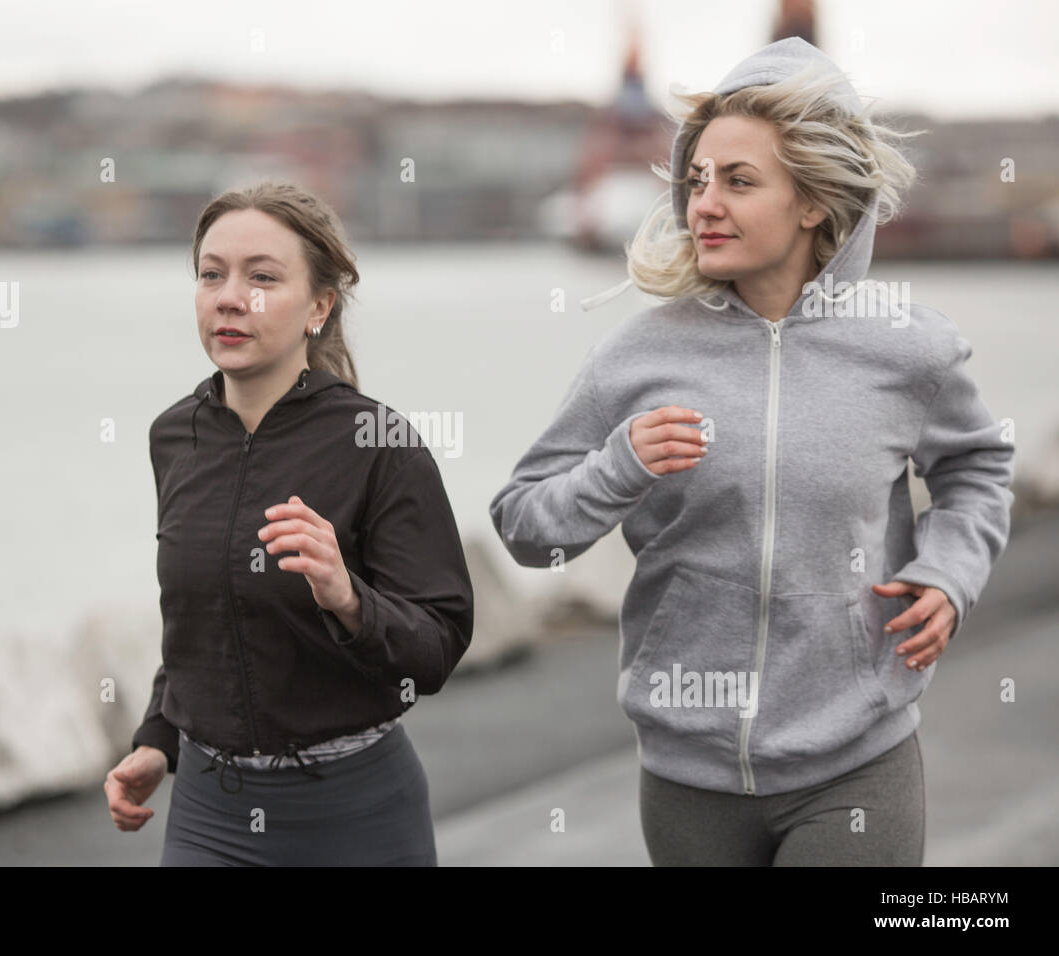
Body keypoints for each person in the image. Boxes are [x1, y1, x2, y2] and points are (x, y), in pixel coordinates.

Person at [489, 37, 1014, 865]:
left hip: (855, 766)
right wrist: (617, 466)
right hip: (687, 775)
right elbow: (525, 525)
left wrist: (949, 573)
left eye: (738, 181)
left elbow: (978, 469)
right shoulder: (639, 355)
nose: (703, 204)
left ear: (812, 202)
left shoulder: (907, 350)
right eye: (696, 181)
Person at [103, 180, 474, 865]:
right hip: (208, 815)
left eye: (263, 277)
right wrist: (157, 738)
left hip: (356, 815)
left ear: (320, 306)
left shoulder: (380, 443)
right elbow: (198, 621)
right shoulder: (174, 437)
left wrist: (348, 598)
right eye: (211, 275)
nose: (230, 297)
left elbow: (438, 646)